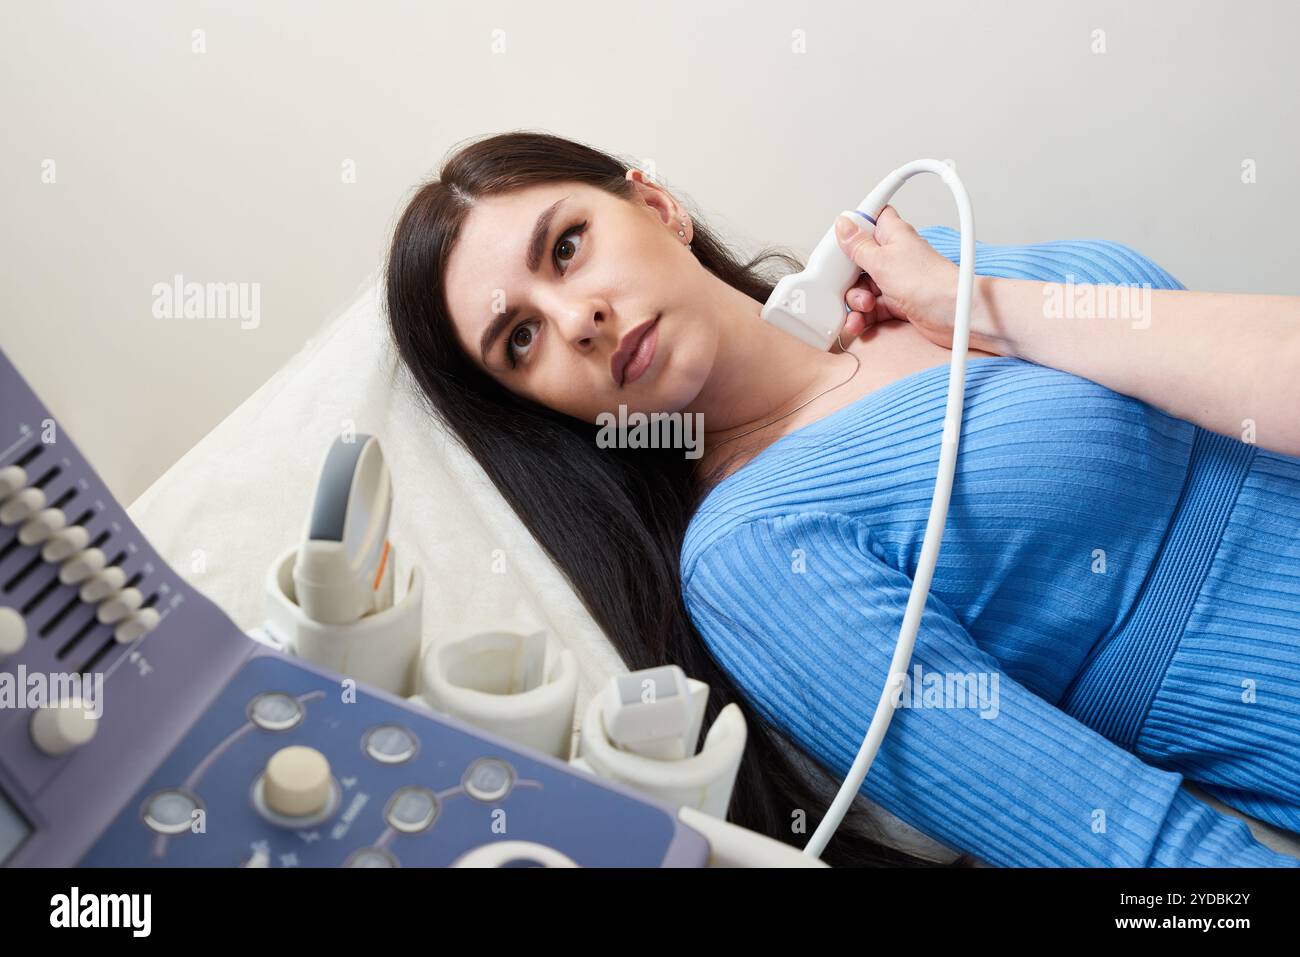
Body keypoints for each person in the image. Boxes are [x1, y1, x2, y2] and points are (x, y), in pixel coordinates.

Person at [385, 130, 1300, 866]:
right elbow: (1123, 844)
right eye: (519, 339)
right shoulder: (752, 556)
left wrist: (969, 299)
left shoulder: (927, 272)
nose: (576, 318)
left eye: (568, 245)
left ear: (656, 205)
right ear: (537, 404)